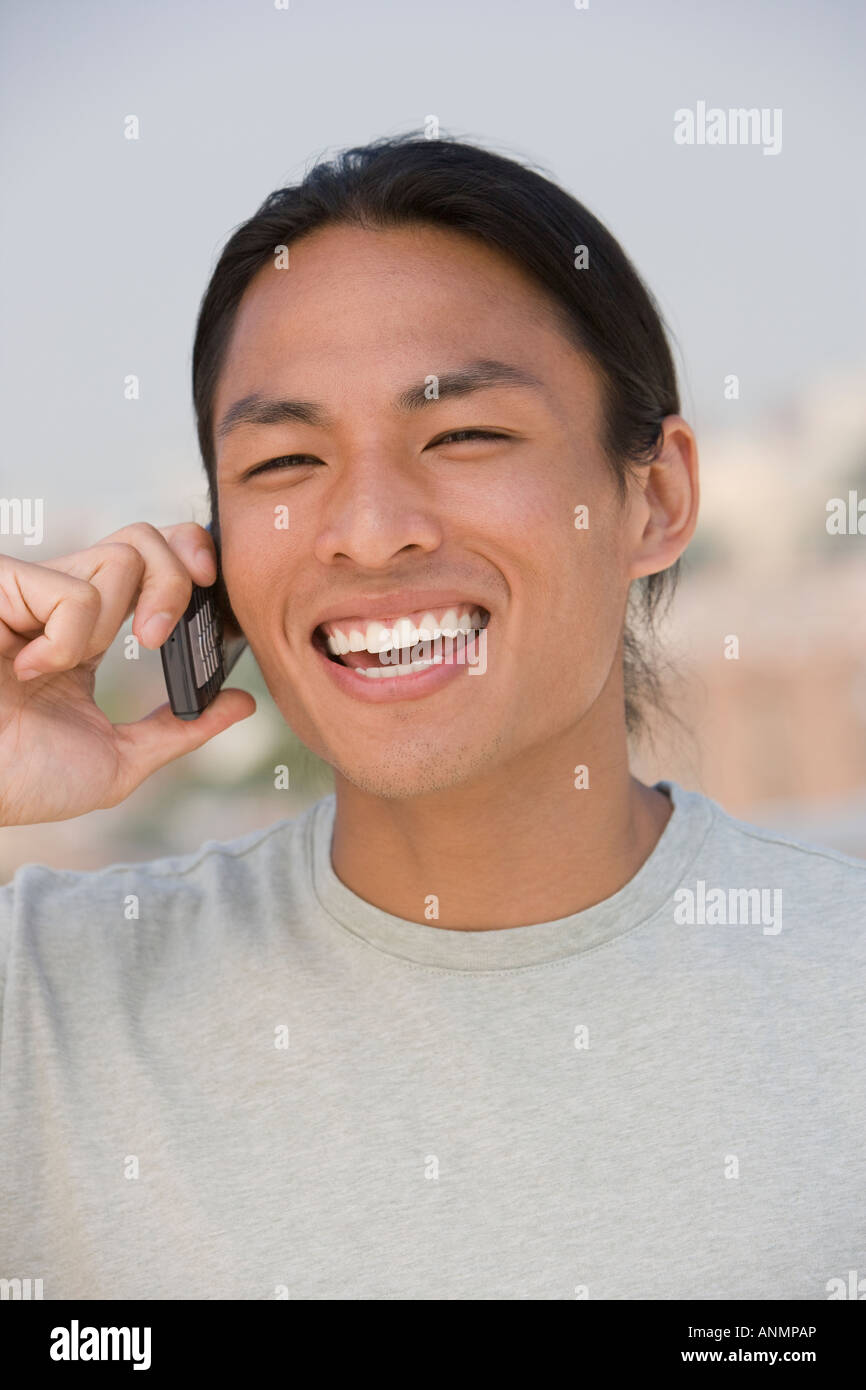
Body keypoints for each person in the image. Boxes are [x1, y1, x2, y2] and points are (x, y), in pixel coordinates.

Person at [1, 135, 863, 1301]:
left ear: (653, 499)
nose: (368, 529)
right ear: (216, 556)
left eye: (462, 436)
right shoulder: (46, 1001)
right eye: (285, 460)